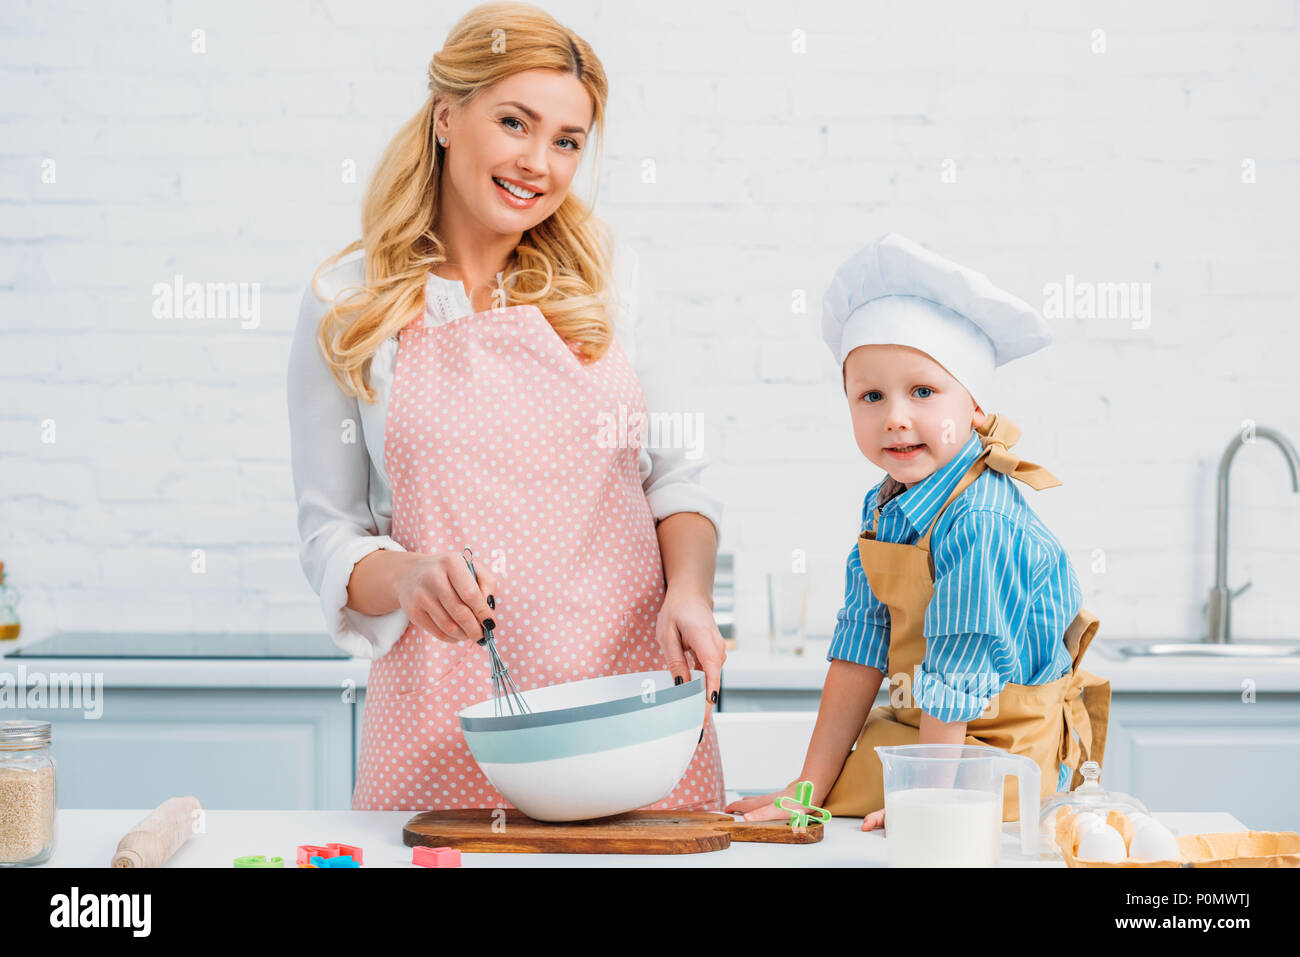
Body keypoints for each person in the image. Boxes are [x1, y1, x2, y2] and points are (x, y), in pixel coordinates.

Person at [288, 2, 726, 812]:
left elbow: (679, 479)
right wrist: (410, 575)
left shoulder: (610, 281)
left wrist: (689, 593)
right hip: (439, 720)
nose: (538, 162)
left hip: (631, 715)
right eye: (515, 122)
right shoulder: (349, 306)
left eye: (566, 141)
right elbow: (330, 534)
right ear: (447, 115)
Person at [727, 232, 1110, 829]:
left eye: (923, 391)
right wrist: (803, 793)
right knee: (827, 818)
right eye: (871, 395)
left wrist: (926, 806)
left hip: (1001, 753)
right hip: (924, 736)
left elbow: (956, 677)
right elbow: (859, 652)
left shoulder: (979, 520)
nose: (895, 417)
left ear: (976, 408)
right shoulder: (883, 508)